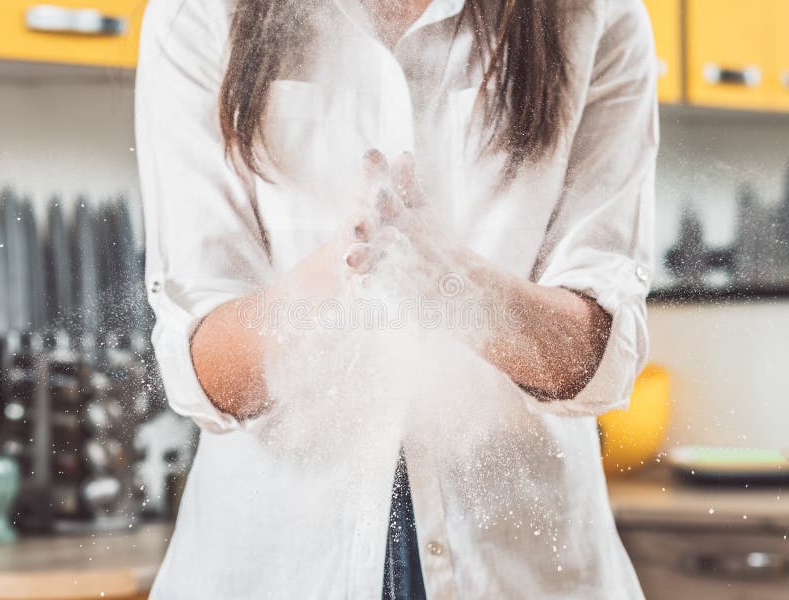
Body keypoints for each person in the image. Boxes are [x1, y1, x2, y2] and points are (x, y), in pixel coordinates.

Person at [136, 0, 658, 597]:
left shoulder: (594, 15)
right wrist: (345, 266)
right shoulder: (198, 14)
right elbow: (204, 374)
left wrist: (451, 280)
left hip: (522, 572)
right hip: (274, 568)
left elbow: (594, 363)